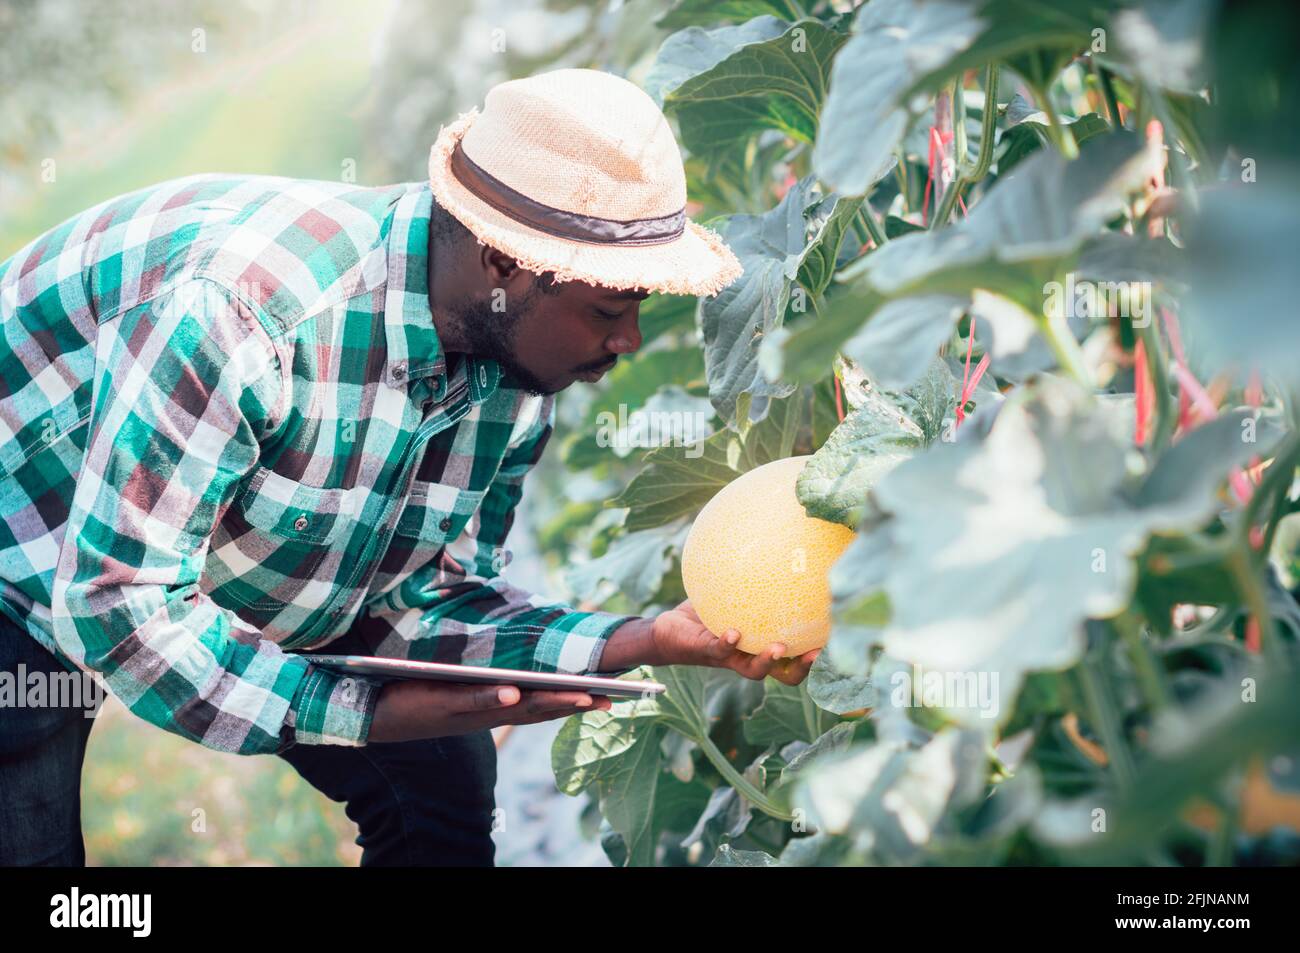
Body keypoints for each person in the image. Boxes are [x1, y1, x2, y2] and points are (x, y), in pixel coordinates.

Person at [0, 68, 819, 867]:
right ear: (504, 265)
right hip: (27, 527)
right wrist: (358, 713)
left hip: (170, 516)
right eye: (610, 308)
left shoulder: (521, 365)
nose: (628, 340)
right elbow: (116, 602)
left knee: (445, 772)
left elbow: (434, 595)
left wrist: (642, 640)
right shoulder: (243, 315)